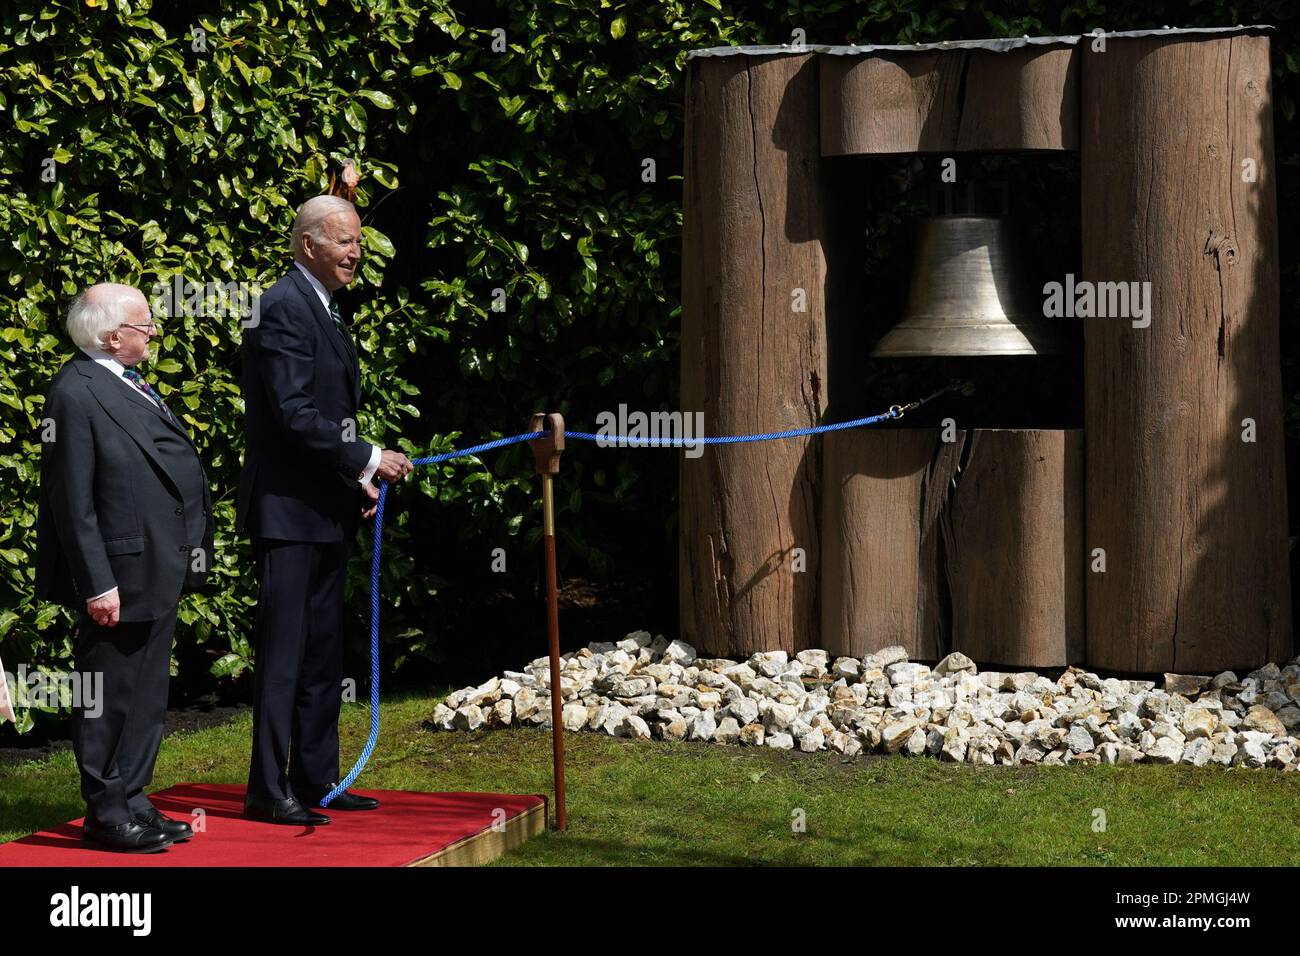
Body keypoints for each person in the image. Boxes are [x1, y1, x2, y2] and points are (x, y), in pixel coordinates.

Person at [237, 195, 412, 826]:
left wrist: (354, 481)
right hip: (287, 515)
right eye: (345, 242)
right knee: (284, 655)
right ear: (308, 244)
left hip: (324, 510)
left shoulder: (326, 308)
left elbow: (320, 417)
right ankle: (266, 788)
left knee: (321, 655)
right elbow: (294, 416)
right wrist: (369, 457)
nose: (356, 253)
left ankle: (316, 780)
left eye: (359, 242)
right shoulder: (281, 306)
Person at [36, 283, 213, 853]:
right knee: (107, 695)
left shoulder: (122, 381)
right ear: (113, 337)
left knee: (145, 694)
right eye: (145, 325)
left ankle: (134, 797)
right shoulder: (75, 392)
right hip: (118, 573)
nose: (154, 332)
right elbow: (71, 500)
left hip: (158, 566)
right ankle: (106, 813)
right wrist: (98, 583)